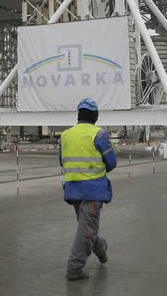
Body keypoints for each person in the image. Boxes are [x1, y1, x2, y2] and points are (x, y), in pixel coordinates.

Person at [59, 98, 118, 281]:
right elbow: (111, 162)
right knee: (87, 230)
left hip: (73, 190)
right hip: (93, 191)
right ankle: (74, 269)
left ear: (79, 115)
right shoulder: (99, 135)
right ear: (95, 116)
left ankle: (100, 249)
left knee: (87, 227)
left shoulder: (65, 135)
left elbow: (62, 161)